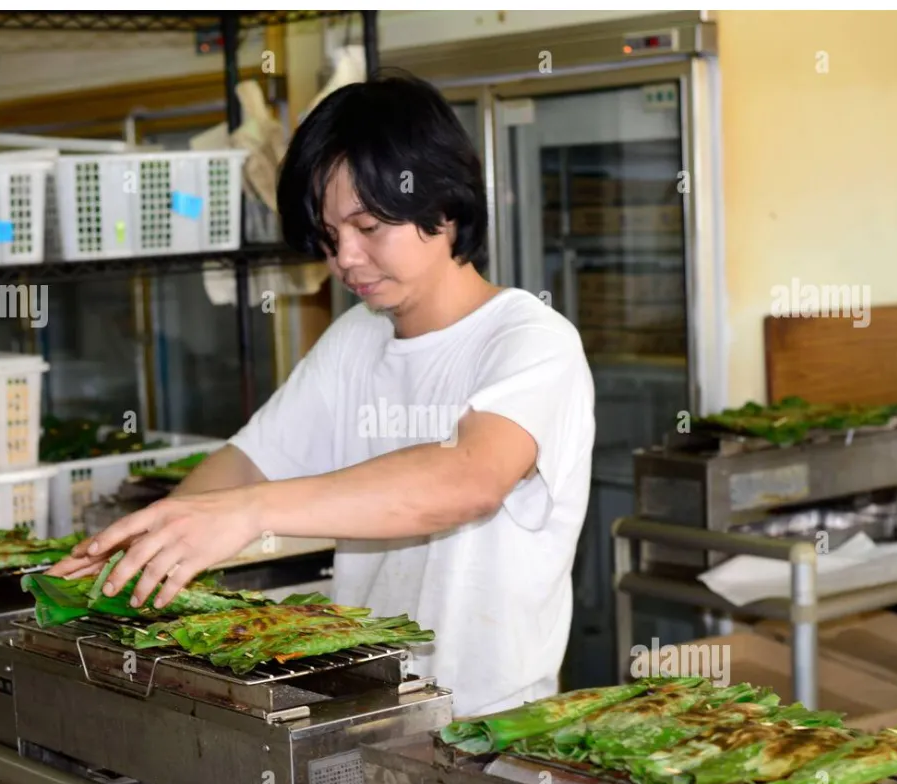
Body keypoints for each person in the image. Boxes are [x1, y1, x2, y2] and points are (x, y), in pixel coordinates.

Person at [48, 70, 596, 718]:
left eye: (368, 227)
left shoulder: (533, 341)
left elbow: (468, 478)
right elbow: (254, 459)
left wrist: (251, 513)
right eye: (331, 238)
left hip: (487, 725)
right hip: (362, 707)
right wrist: (148, 542)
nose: (347, 260)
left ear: (444, 207)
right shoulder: (355, 340)